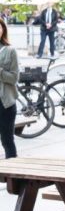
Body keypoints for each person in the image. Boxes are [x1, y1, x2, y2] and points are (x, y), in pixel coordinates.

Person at [0, 17, 19, 159]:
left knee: (7, 140)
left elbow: (14, 78)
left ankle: (13, 171)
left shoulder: (10, 51)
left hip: (5, 103)